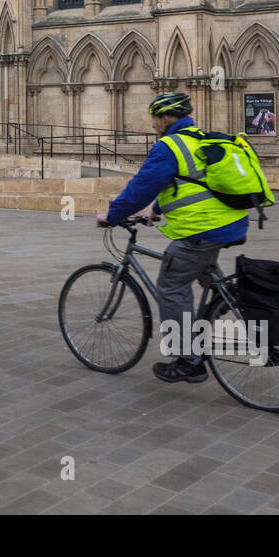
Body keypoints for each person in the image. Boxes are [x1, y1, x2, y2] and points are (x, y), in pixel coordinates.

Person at [97, 92, 250, 385]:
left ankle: (188, 359)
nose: (154, 125)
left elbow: (141, 186)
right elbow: (191, 181)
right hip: (230, 224)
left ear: (166, 118)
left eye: (156, 118)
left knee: (171, 284)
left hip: (202, 230)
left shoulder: (168, 147)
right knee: (207, 278)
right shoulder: (198, 138)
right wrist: (156, 208)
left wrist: (112, 215)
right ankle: (227, 308)